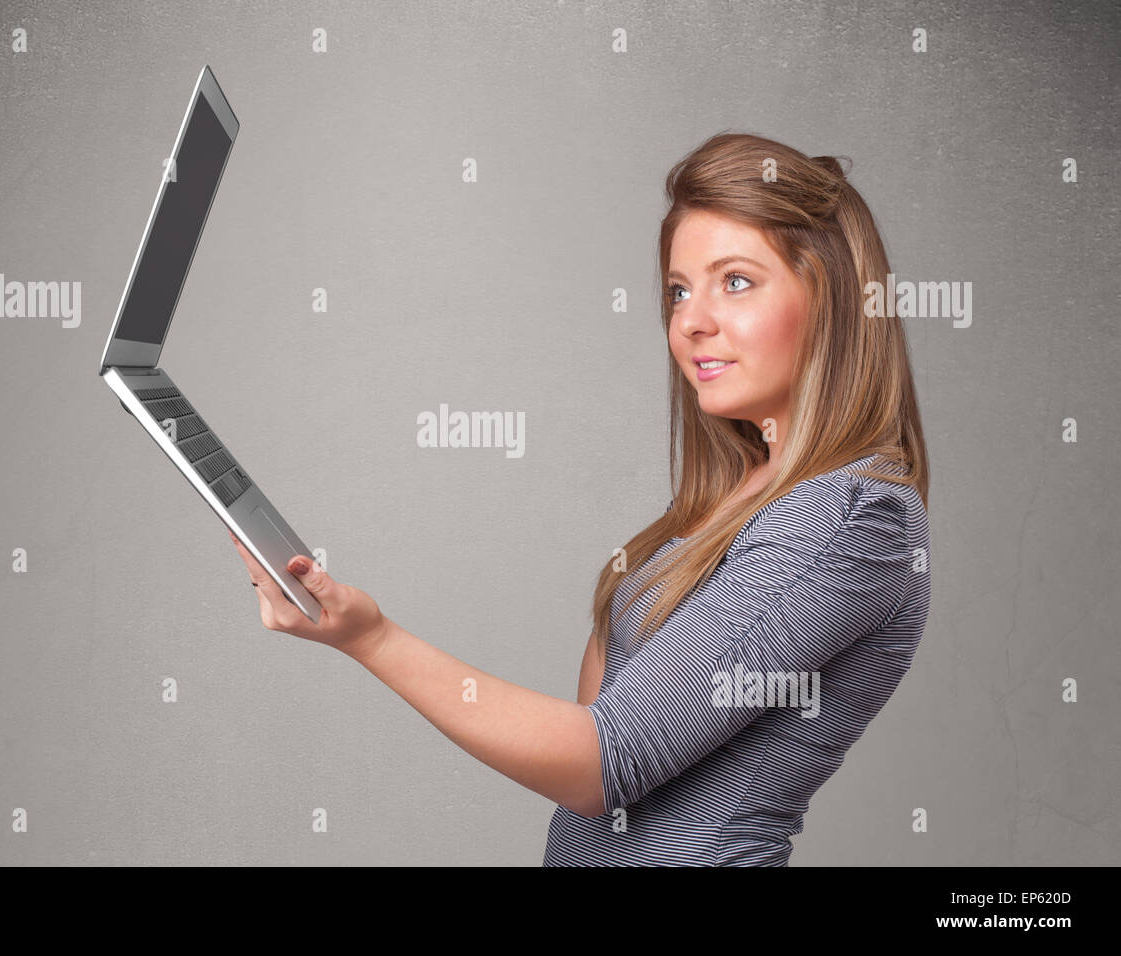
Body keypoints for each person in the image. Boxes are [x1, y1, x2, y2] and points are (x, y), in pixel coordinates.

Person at [230, 131, 931, 866]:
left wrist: (369, 637)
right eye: (678, 290)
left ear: (833, 299)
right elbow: (596, 734)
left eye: (736, 281)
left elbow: (604, 764)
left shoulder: (852, 517)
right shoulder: (735, 501)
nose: (691, 320)